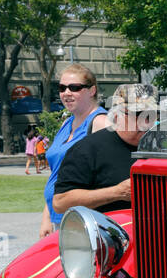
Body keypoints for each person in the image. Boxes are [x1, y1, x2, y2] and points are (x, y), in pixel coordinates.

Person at [52, 84, 157, 217]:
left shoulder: (165, 147)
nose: (146, 122)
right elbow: (60, 203)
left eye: (152, 114)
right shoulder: (87, 149)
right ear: (116, 116)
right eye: (138, 114)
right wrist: (118, 192)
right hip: (111, 234)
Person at [41, 65, 107, 238]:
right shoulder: (66, 124)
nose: (66, 93)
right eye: (62, 88)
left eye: (74, 88)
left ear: (92, 90)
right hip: (59, 215)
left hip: (85, 219)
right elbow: (57, 175)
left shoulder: (101, 123)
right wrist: (46, 217)